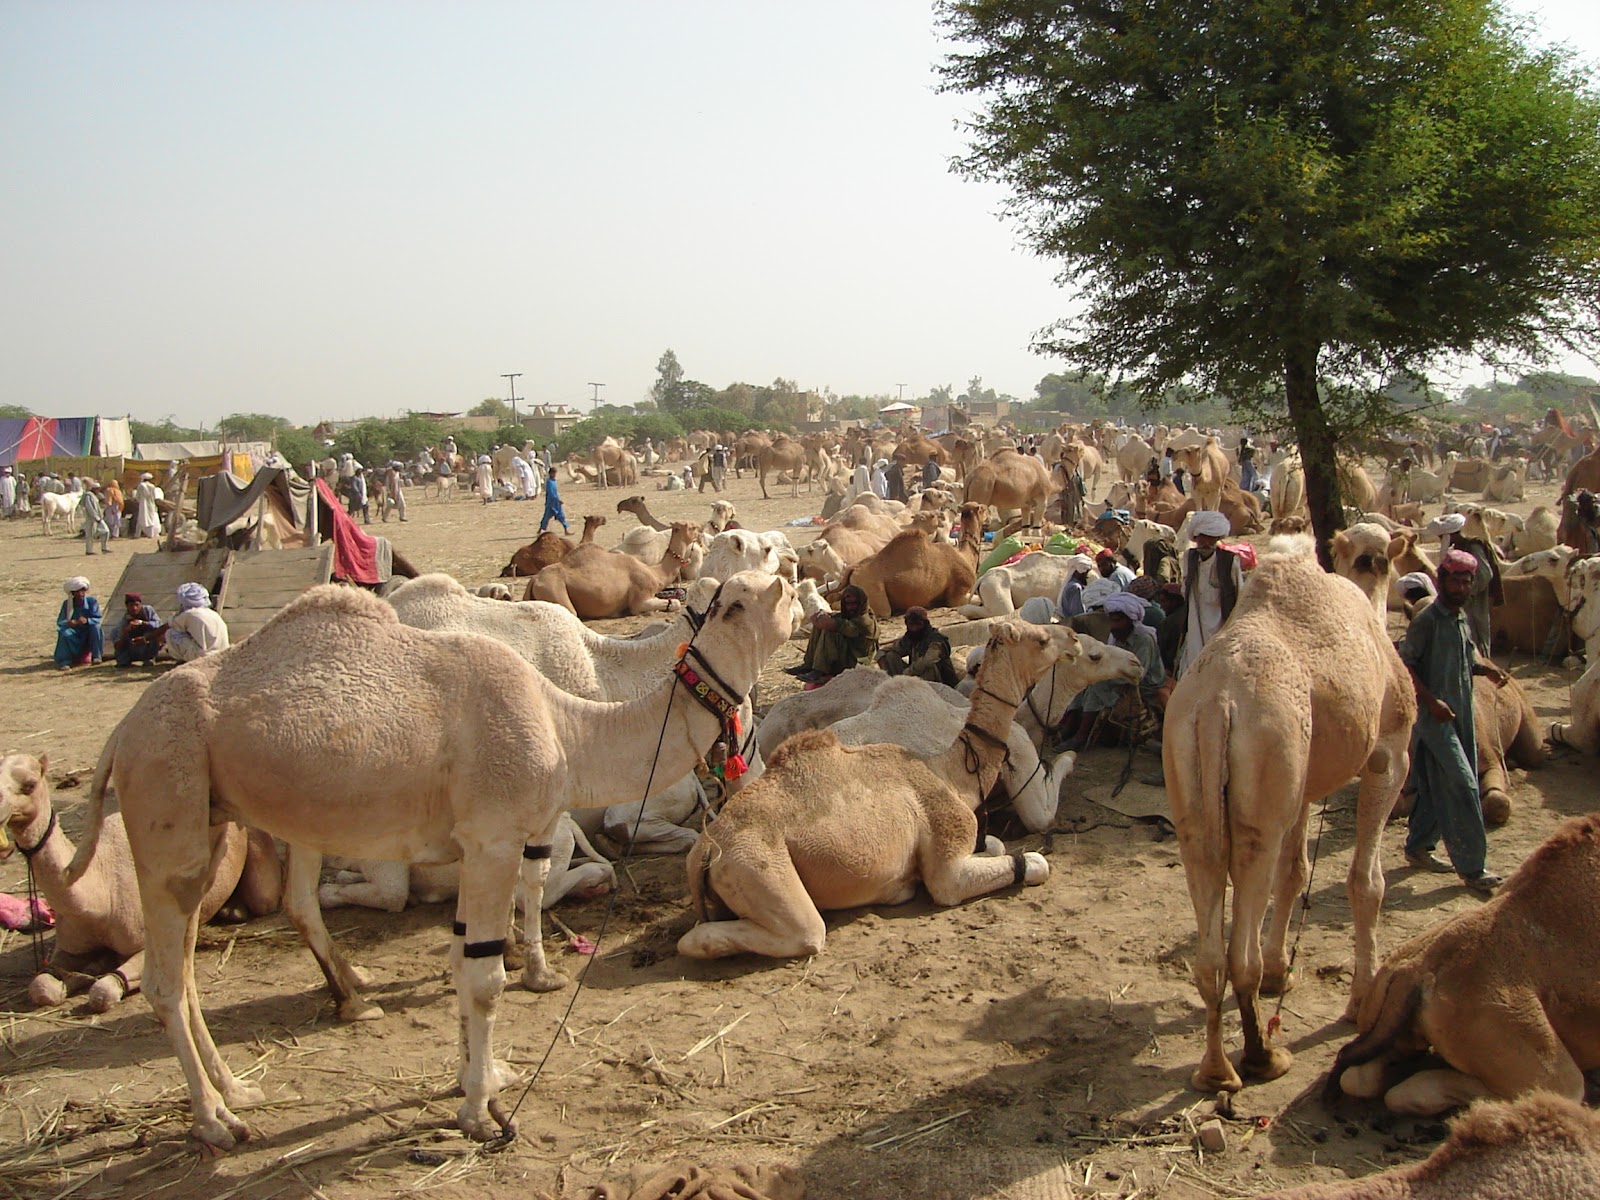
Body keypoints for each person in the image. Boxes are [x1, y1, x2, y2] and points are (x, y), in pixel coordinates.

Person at [1400, 549, 1508, 896]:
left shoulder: (1460, 619)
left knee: (1433, 783)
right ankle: (1473, 866)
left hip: (1459, 713)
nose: (1461, 587)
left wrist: (1485, 668)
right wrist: (1431, 703)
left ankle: (1418, 846)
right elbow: (1405, 666)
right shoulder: (1427, 621)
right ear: (1441, 580)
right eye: (1455, 580)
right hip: (1435, 720)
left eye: (1466, 581)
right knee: (1464, 785)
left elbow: (1462, 659)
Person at [1054, 591, 1164, 750]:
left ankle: (1081, 737)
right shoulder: (1116, 637)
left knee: (1096, 685)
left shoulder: (1144, 640)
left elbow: (1139, 674)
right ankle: (1070, 727)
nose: (1113, 626)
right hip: (1118, 680)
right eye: (1111, 620)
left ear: (1129, 620)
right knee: (1083, 681)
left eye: (1118, 620)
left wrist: (1102, 677)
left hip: (1144, 687)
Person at [1177, 510, 1243, 677]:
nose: (1206, 542)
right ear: (1196, 538)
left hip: (1222, 624)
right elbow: (1186, 588)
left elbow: (1239, 593)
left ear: (1217, 538)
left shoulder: (1229, 561)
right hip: (1196, 622)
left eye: (1211, 538)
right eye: (1203, 537)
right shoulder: (1189, 558)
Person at [1427, 513, 1499, 655]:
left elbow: (1485, 575)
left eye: (1442, 537)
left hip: (1475, 603)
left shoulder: (1473, 547)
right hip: (1462, 603)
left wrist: (1463, 591)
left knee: (1476, 639)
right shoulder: (1459, 549)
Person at [789, 584, 878, 683]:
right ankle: (809, 664)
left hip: (858, 661)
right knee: (822, 624)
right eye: (847, 604)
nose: (851, 607)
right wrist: (822, 616)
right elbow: (839, 619)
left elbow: (840, 625)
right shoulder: (854, 614)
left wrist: (825, 620)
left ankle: (819, 670)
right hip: (849, 653)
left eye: (854, 603)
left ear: (861, 603)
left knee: (831, 630)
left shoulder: (865, 620)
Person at [876, 606, 959, 685]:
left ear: (925, 624)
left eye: (918, 624)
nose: (914, 628)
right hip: (914, 676)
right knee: (890, 656)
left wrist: (908, 672)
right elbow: (893, 648)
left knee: (929, 668)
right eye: (911, 624)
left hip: (939, 679)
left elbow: (928, 660)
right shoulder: (910, 637)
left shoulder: (936, 639)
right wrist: (880, 656)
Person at [162, 583, 229, 662]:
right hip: (223, 653)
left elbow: (170, 624)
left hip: (205, 656)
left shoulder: (190, 614)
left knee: (171, 633)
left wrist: (148, 638)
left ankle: (182, 659)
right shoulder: (212, 613)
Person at [54, 576, 103, 670]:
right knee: (64, 632)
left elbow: (97, 618)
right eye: (77, 592)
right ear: (72, 593)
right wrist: (69, 623)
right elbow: (60, 622)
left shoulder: (92, 602)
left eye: (82, 591)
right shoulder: (67, 604)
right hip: (74, 633)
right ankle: (65, 661)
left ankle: (96, 656)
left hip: (88, 633)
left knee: (95, 627)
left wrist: (87, 621)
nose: (80, 594)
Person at [110, 592, 162, 667]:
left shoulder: (147, 611)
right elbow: (117, 644)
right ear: (127, 606)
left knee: (156, 632)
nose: (134, 608)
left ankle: (150, 658)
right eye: (131, 605)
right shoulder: (124, 621)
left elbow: (160, 626)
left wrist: (143, 623)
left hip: (147, 644)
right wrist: (125, 632)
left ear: (140, 604)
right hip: (133, 648)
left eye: (136, 605)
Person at [1056, 554, 1095, 618]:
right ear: (1078, 573)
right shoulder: (1075, 587)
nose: (1087, 576)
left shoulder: (1071, 584)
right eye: (1086, 573)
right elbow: (1078, 614)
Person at [79, 481, 110, 555]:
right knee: (90, 534)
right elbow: (90, 508)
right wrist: (96, 517)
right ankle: (89, 550)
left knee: (106, 531)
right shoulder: (88, 496)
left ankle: (104, 547)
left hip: (98, 517)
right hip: (91, 518)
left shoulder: (94, 495)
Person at [539, 469, 570, 535]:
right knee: (546, 517)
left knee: (561, 516)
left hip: (556, 503)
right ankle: (541, 529)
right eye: (554, 473)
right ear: (551, 473)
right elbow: (551, 493)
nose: (555, 475)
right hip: (551, 503)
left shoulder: (554, 481)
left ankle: (566, 530)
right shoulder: (549, 482)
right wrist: (558, 500)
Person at [133, 472, 161, 538]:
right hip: (151, 504)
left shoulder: (141, 485)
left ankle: (137, 535)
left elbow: (137, 496)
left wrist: (137, 500)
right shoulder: (152, 486)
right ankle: (151, 534)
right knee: (151, 519)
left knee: (141, 519)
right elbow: (154, 496)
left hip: (143, 505)